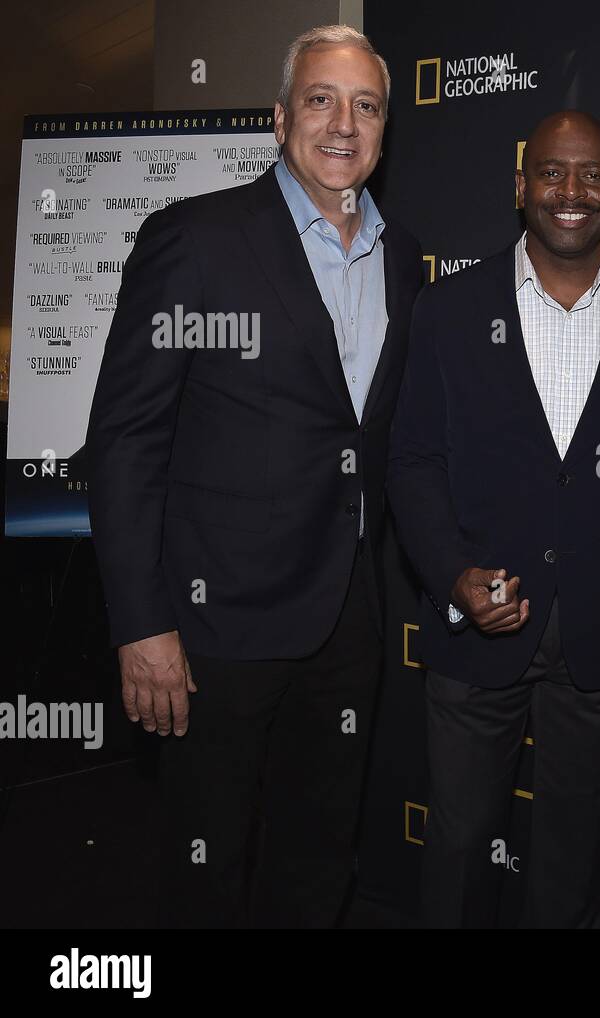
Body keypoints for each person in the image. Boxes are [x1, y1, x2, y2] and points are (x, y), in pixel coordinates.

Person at [85, 25, 423, 927]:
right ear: (280, 119)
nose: (343, 123)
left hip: (347, 617)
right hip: (212, 626)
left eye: (366, 104)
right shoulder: (195, 238)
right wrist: (140, 621)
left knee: (319, 856)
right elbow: (123, 441)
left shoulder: (402, 258)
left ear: (386, 128)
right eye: (320, 99)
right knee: (207, 859)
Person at [387, 110, 600, 928]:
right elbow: (414, 461)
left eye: (593, 174)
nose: (572, 191)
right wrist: (455, 578)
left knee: (573, 864)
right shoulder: (448, 309)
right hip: (473, 632)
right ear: (521, 186)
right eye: (552, 172)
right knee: (458, 851)